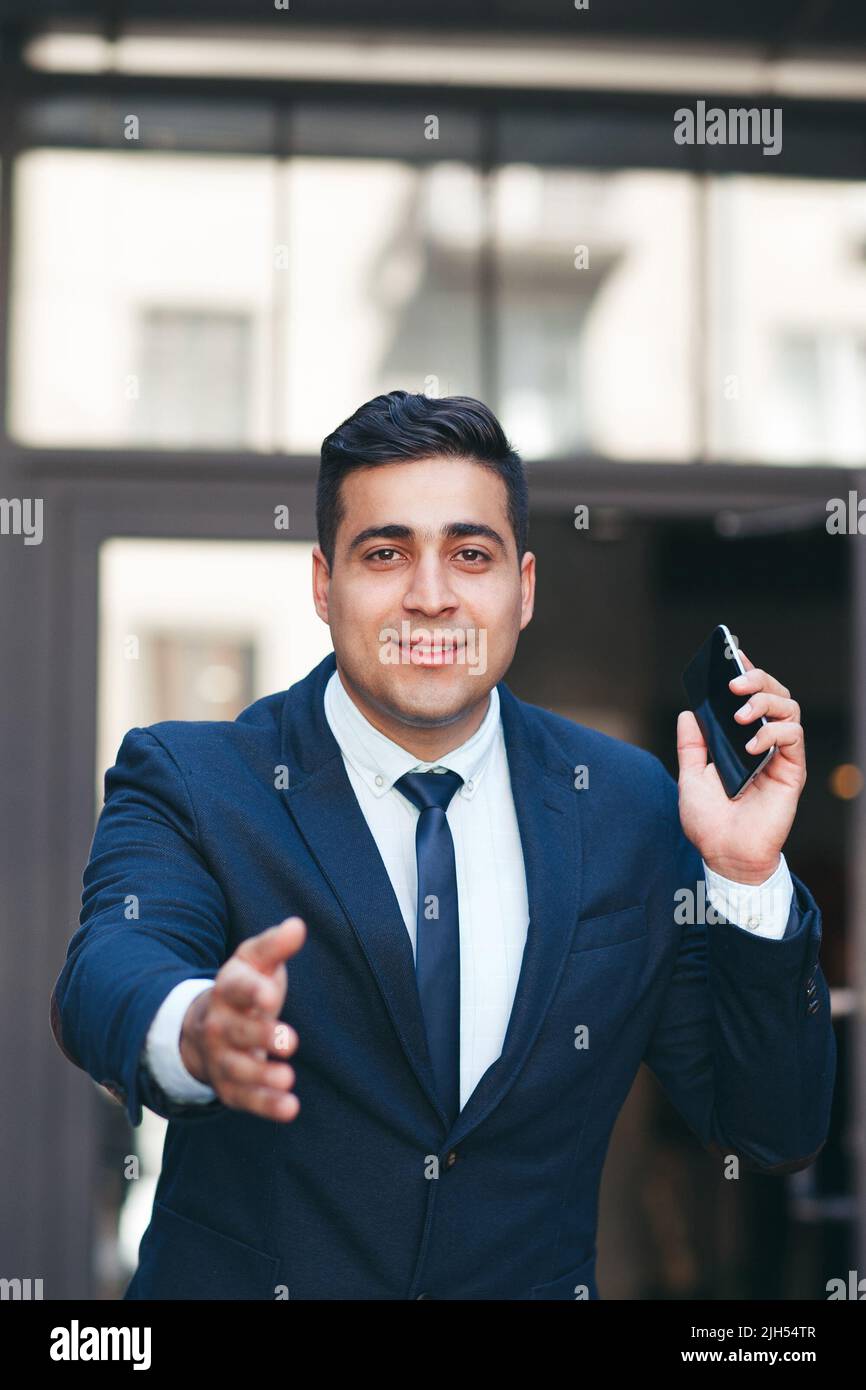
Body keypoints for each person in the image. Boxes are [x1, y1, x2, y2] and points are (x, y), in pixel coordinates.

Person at [50, 390, 836, 1300]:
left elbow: (770, 1129)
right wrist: (195, 1029)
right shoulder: (195, 779)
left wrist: (745, 876)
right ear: (323, 584)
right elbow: (108, 968)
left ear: (524, 588)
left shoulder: (629, 804)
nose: (430, 597)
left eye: (470, 555)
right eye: (385, 554)